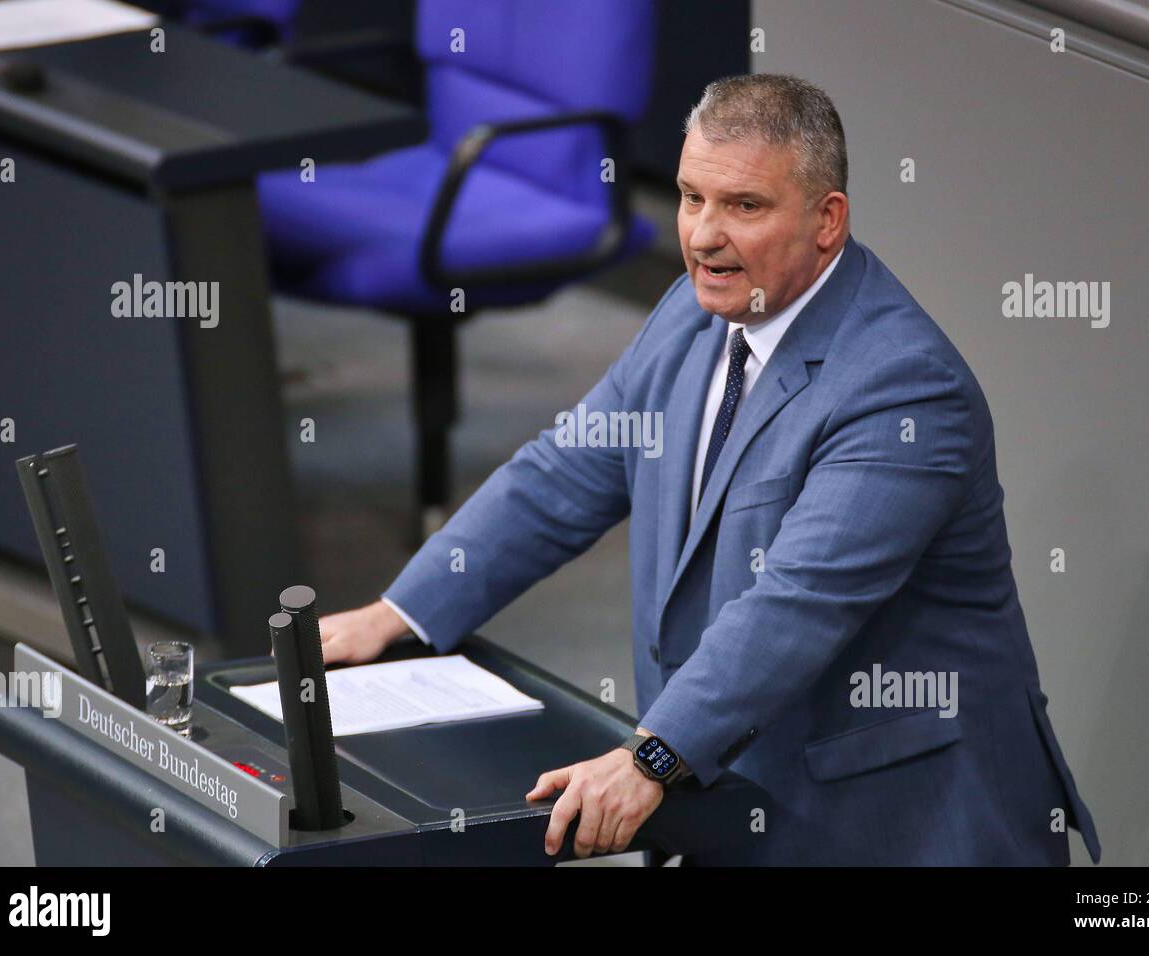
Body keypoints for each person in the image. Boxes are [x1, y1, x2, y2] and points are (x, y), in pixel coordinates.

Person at [316, 73, 1101, 866]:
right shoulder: (691, 313)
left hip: (901, 825)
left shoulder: (902, 387)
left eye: (744, 206)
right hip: (737, 792)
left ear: (828, 220)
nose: (702, 235)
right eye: (692, 198)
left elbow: (798, 602)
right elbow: (565, 473)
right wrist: (404, 610)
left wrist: (653, 756)